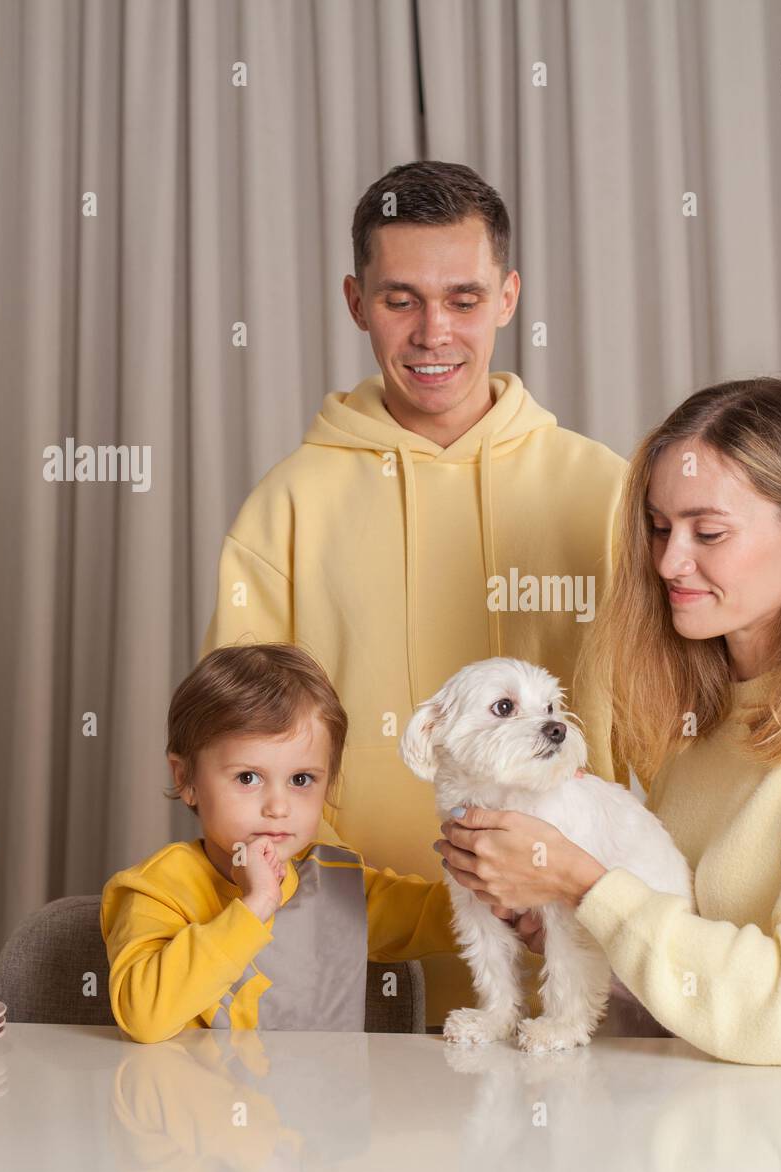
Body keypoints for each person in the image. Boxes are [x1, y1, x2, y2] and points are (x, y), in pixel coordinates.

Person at [199, 161, 628, 1026]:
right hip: (343, 963)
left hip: (570, 953)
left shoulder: (609, 490)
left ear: (508, 297)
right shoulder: (284, 506)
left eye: (464, 299)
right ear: (357, 302)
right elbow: (232, 756)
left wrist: (596, 897)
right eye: (402, 300)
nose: (435, 332)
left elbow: (665, 727)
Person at [436, 376, 781, 1065]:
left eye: (707, 532)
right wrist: (563, 915)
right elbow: (684, 963)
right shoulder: (696, 710)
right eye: (659, 527)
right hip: (702, 1098)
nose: (667, 561)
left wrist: (584, 884)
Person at [101, 644, 453, 1042]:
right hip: (196, 1102)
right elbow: (144, 1017)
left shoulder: (341, 882)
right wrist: (255, 907)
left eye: (301, 780)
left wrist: (512, 907)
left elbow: (443, 917)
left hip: (326, 1104)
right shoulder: (156, 889)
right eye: (248, 777)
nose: (278, 807)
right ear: (186, 779)